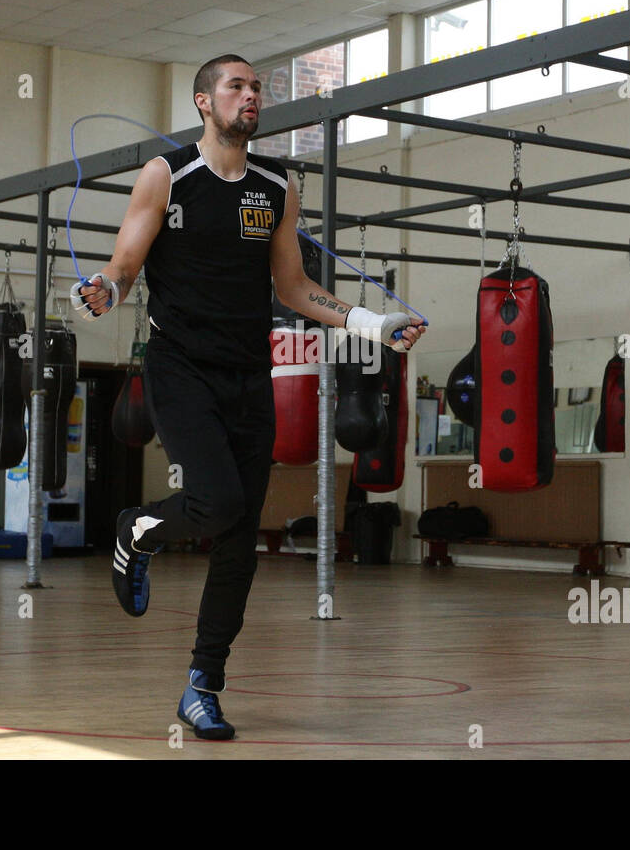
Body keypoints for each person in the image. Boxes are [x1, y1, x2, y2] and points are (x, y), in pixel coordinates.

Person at [70, 54, 426, 740]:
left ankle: (202, 685)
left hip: (247, 372)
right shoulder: (167, 176)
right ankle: (136, 529)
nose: (251, 95)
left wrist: (372, 325)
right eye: (236, 86)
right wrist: (106, 290)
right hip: (179, 368)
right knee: (217, 501)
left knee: (239, 541)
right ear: (204, 102)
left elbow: (293, 288)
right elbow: (124, 262)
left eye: (257, 86)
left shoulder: (276, 187)